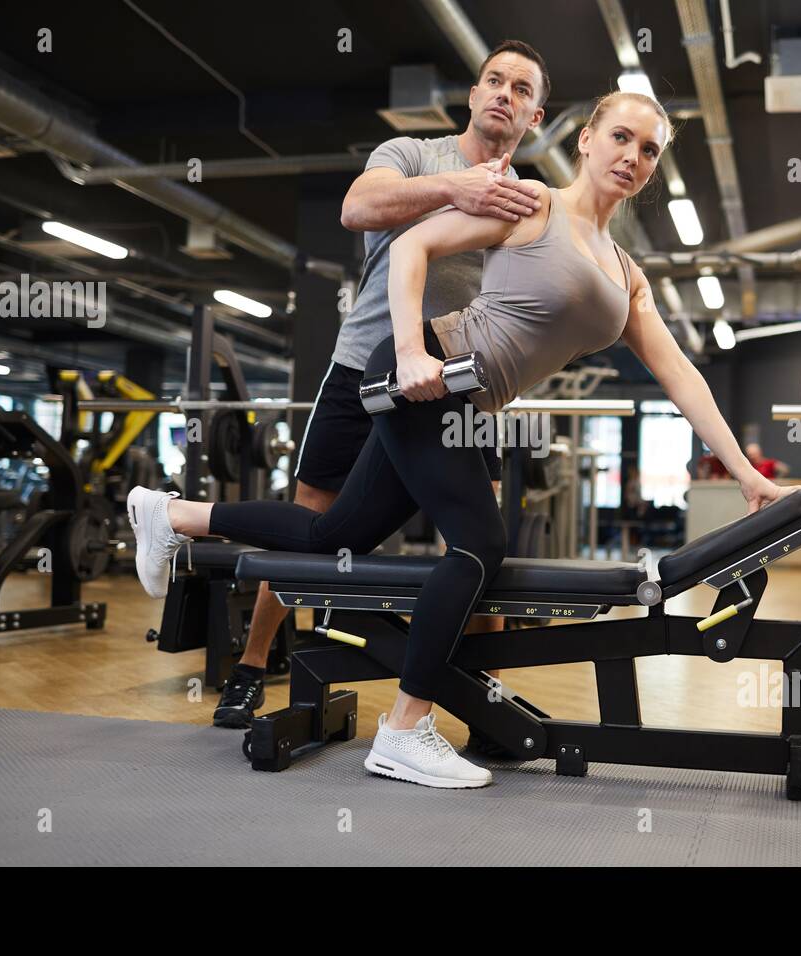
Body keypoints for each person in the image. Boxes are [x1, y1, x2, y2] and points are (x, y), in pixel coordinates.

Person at [129, 89, 801, 790]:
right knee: (478, 544)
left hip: (460, 403)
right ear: (585, 140)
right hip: (424, 378)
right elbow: (413, 244)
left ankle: (174, 515)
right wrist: (407, 351)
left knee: (333, 535)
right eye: (620, 137)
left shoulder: (627, 277)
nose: (632, 157)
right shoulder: (531, 205)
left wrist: (745, 473)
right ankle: (403, 728)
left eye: (648, 150)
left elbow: (683, 378)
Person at [205, 40, 549, 730]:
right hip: (365, 368)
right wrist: (459, 187)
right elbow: (357, 210)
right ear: (473, 92)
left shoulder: (530, 198)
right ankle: (251, 667)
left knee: (478, 540)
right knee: (311, 527)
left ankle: (486, 696)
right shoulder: (414, 155)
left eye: (520, 89)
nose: (504, 94)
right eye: (494, 80)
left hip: (450, 390)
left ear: (536, 116)